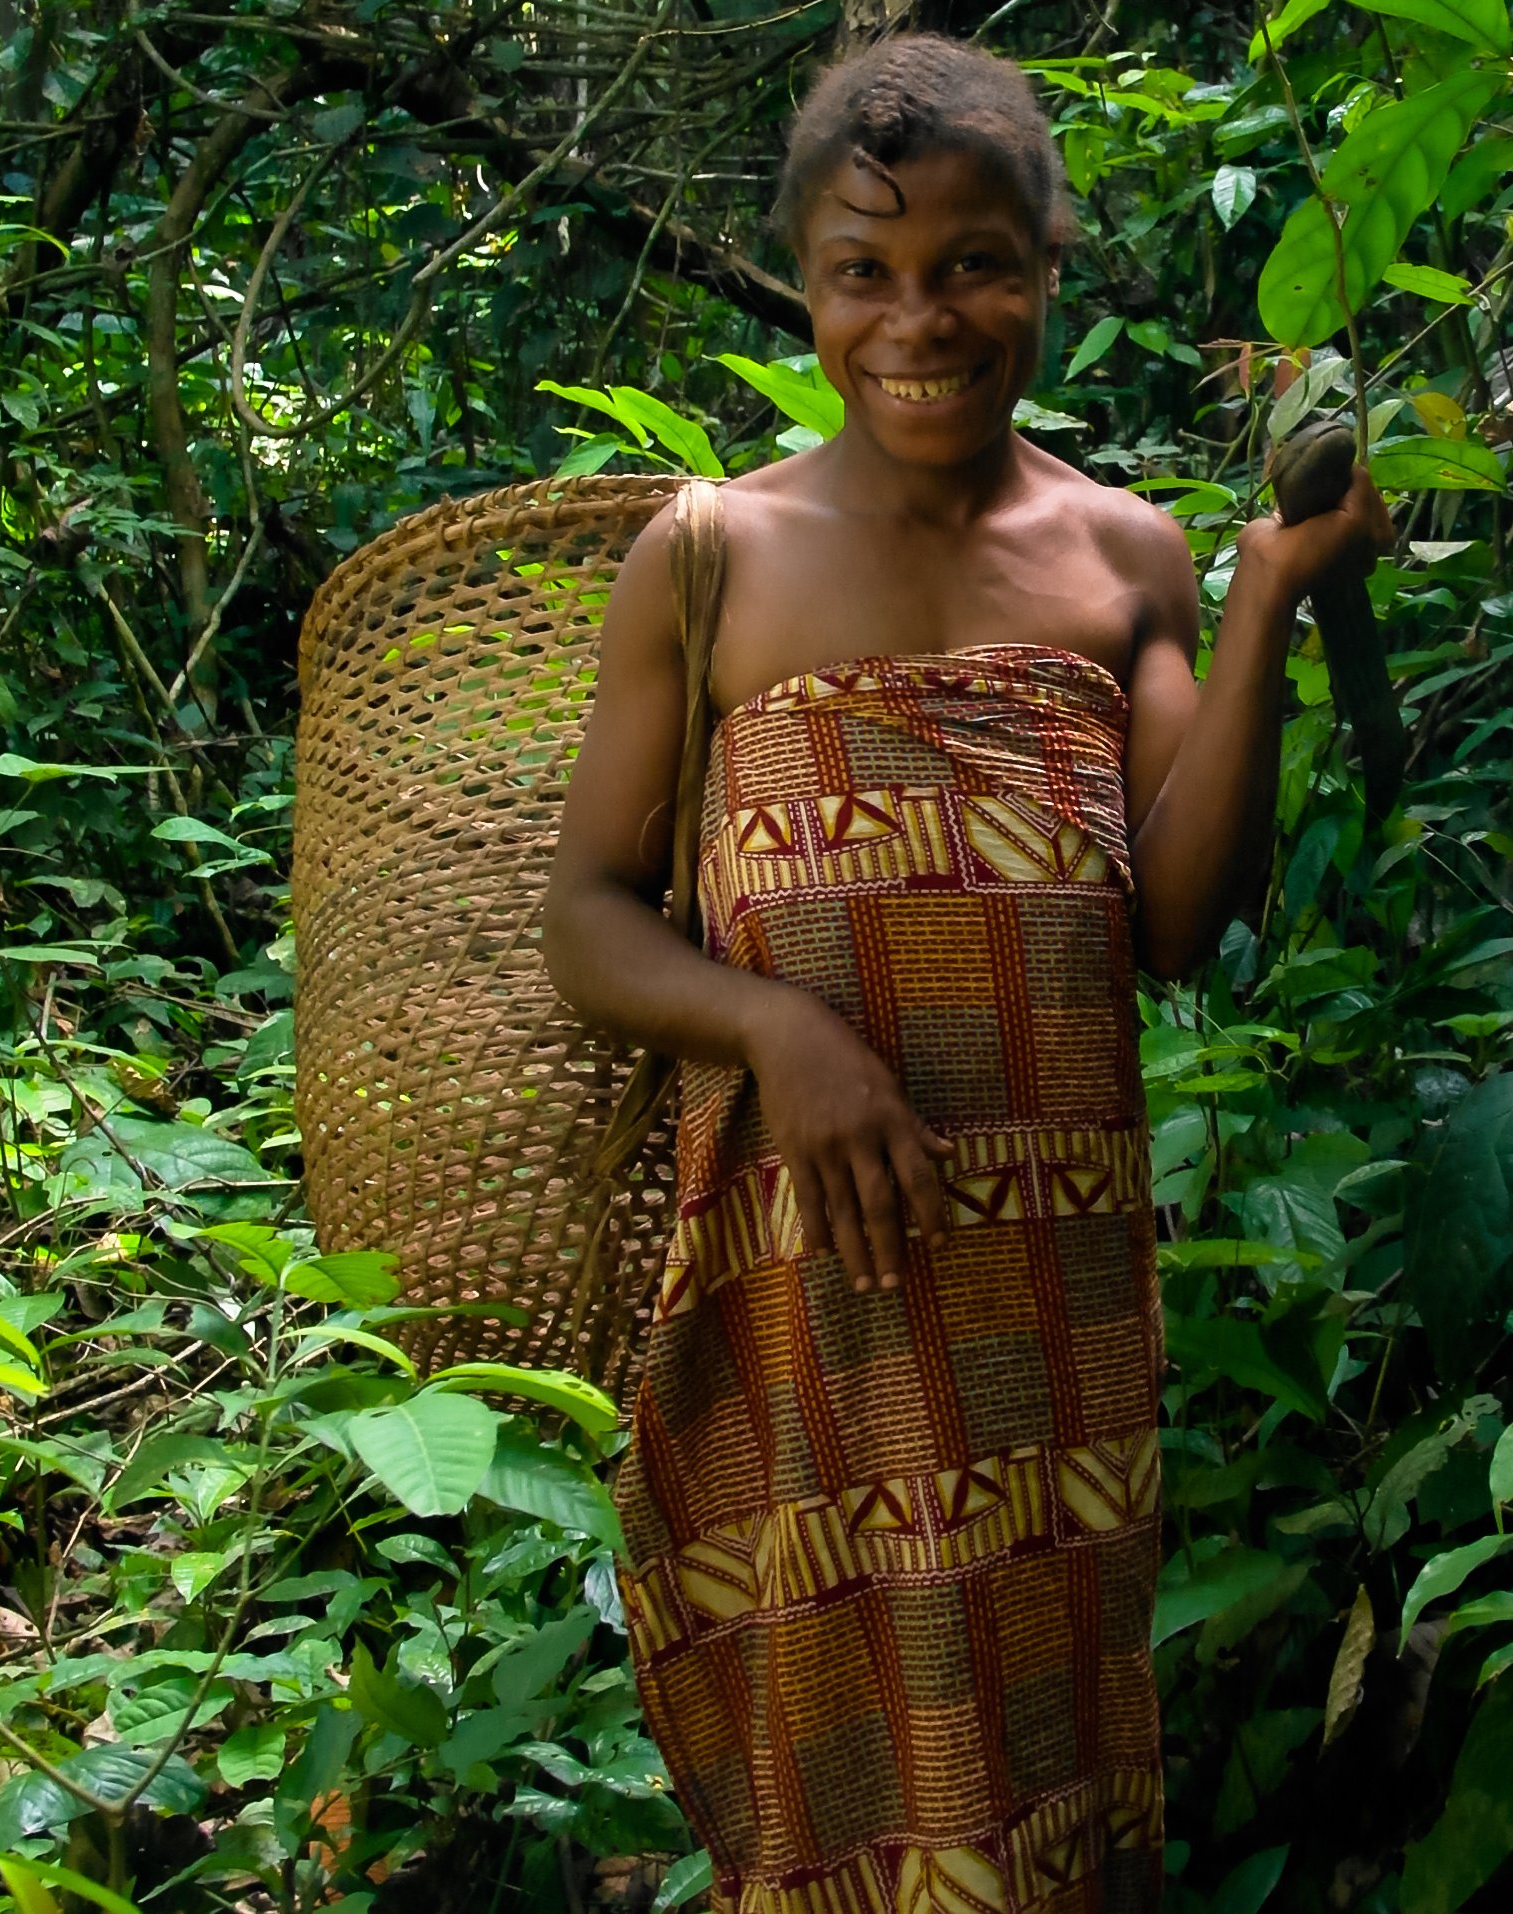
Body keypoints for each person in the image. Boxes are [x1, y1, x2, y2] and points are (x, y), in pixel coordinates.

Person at [543, 32, 1389, 1913]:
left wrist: (1264, 604)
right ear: (808, 287)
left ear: (1050, 260)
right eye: (869, 272)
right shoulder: (710, 558)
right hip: (805, 1290)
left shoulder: (1120, 557)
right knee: (830, 1789)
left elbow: (1174, 917)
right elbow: (587, 915)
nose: (922, 318)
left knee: (1038, 1781)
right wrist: (779, 1029)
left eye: (972, 264)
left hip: (1041, 1297)